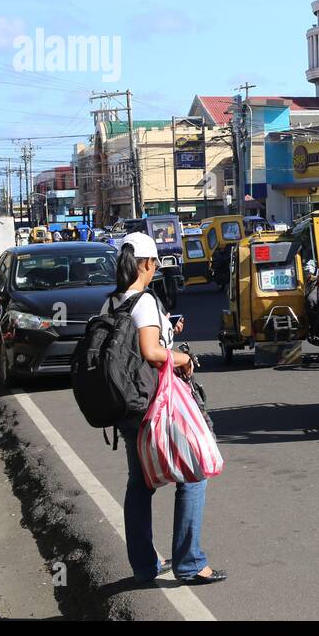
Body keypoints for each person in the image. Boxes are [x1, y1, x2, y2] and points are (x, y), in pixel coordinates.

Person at [103, 232, 226, 586]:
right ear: (145, 264)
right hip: (155, 405)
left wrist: (167, 329)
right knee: (193, 473)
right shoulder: (144, 302)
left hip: (126, 406)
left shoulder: (110, 303)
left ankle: (144, 566)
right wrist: (183, 356)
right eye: (154, 262)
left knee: (140, 484)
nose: (155, 267)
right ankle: (189, 562)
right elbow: (152, 352)